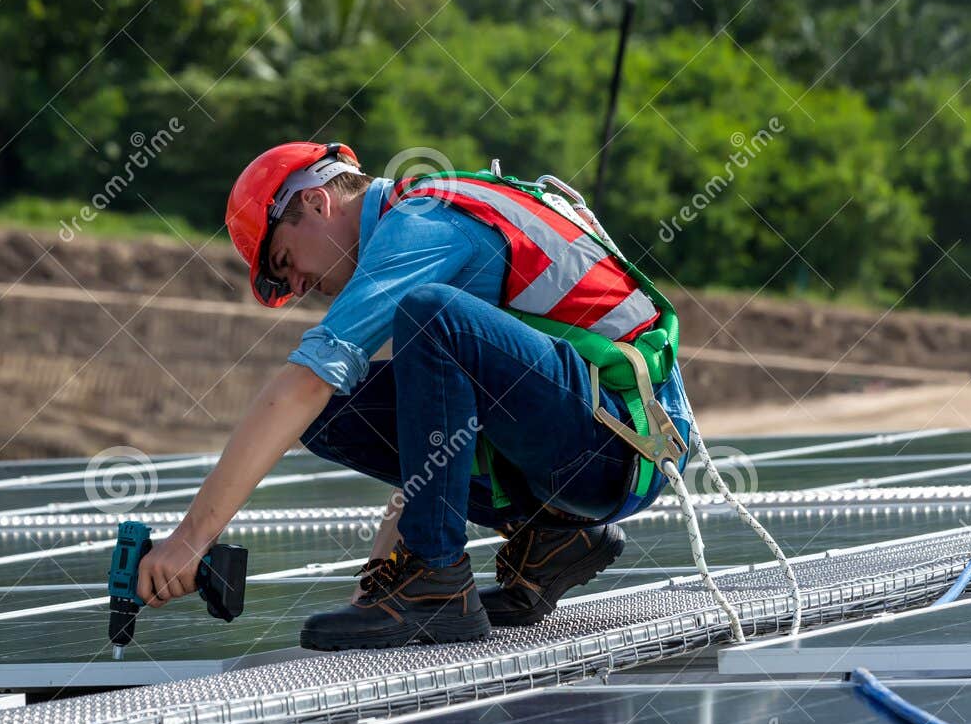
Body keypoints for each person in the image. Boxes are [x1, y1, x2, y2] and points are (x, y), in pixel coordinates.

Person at [136, 141, 693, 650]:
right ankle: (551, 539)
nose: (298, 286)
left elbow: (307, 379)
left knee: (423, 322)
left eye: (284, 263)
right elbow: (430, 415)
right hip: (597, 436)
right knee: (343, 407)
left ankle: (438, 584)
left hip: (619, 443)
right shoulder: (425, 213)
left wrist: (190, 540)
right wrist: (380, 578)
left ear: (316, 202)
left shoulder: (423, 222)